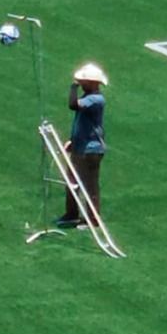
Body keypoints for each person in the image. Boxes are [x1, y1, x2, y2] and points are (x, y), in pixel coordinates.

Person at [58, 63, 108, 227]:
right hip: (81, 147)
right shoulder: (89, 98)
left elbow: (73, 105)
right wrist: (73, 141)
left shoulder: (95, 99)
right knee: (72, 181)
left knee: (89, 185)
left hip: (90, 149)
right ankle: (71, 213)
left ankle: (93, 219)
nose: (82, 83)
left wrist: (73, 87)